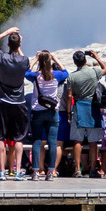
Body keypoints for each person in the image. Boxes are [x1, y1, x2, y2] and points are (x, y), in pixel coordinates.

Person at [0, 26, 32, 180]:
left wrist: (7, 32)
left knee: (0, 137)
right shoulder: (24, 60)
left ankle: (1, 171)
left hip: (2, 101)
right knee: (18, 138)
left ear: (8, 44)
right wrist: (19, 46)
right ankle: (17, 170)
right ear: (19, 45)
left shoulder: (1, 57)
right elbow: (25, 62)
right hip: (19, 102)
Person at [64, 50, 106, 178]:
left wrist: (68, 113)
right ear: (85, 60)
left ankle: (78, 169)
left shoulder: (71, 77)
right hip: (93, 108)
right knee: (93, 141)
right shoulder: (93, 72)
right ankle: (93, 168)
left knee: (77, 140)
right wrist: (96, 57)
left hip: (79, 107)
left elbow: (69, 96)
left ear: (74, 62)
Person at [24, 50, 65, 180]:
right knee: (52, 142)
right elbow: (66, 73)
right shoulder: (57, 75)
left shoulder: (36, 76)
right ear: (50, 62)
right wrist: (55, 58)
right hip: (52, 112)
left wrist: (35, 59)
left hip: (38, 112)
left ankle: (35, 171)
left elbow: (26, 73)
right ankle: (51, 172)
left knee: (37, 142)